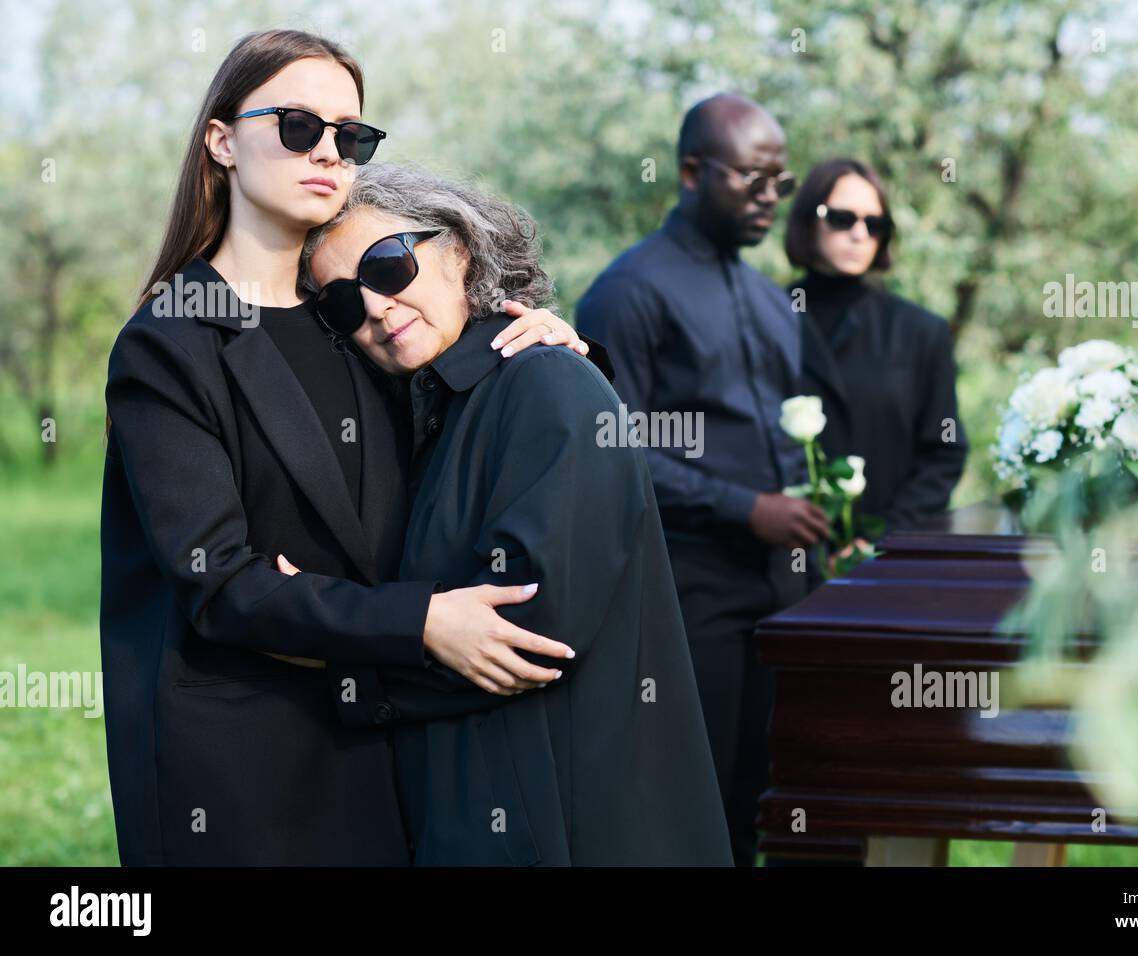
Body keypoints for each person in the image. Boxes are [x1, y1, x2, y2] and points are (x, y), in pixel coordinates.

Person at [101, 29, 596, 865]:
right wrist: (423, 622)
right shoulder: (168, 341)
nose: (328, 150)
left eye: (350, 135)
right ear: (221, 141)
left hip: (389, 741)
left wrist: (548, 341)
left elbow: (464, 427)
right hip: (245, 765)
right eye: (298, 126)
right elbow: (220, 585)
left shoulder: (355, 318)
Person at [295, 163, 733, 865]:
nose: (373, 306)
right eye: (340, 303)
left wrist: (325, 640)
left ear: (458, 249)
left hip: (566, 823)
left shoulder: (545, 381)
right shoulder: (425, 413)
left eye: (386, 266)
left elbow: (528, 631)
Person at [576, 93, 827, 865]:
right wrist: (745, 508)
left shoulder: (769, 296)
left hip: (787, 590)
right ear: (691, 171)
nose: (768, 198)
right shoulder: (629, 290)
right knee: (692, 805)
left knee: (773, 794)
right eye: (751, 177)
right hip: (691, 592)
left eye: (779, 182)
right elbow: (609, 446)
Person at [785, 159, 967, 533]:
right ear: (808, 220)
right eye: (841, 218)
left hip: (887, 561)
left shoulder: (920, 331)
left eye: (874, 224)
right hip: (780, 559)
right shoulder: (765, 317)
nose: (859, 234)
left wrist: (882, 542)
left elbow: (943, 452)